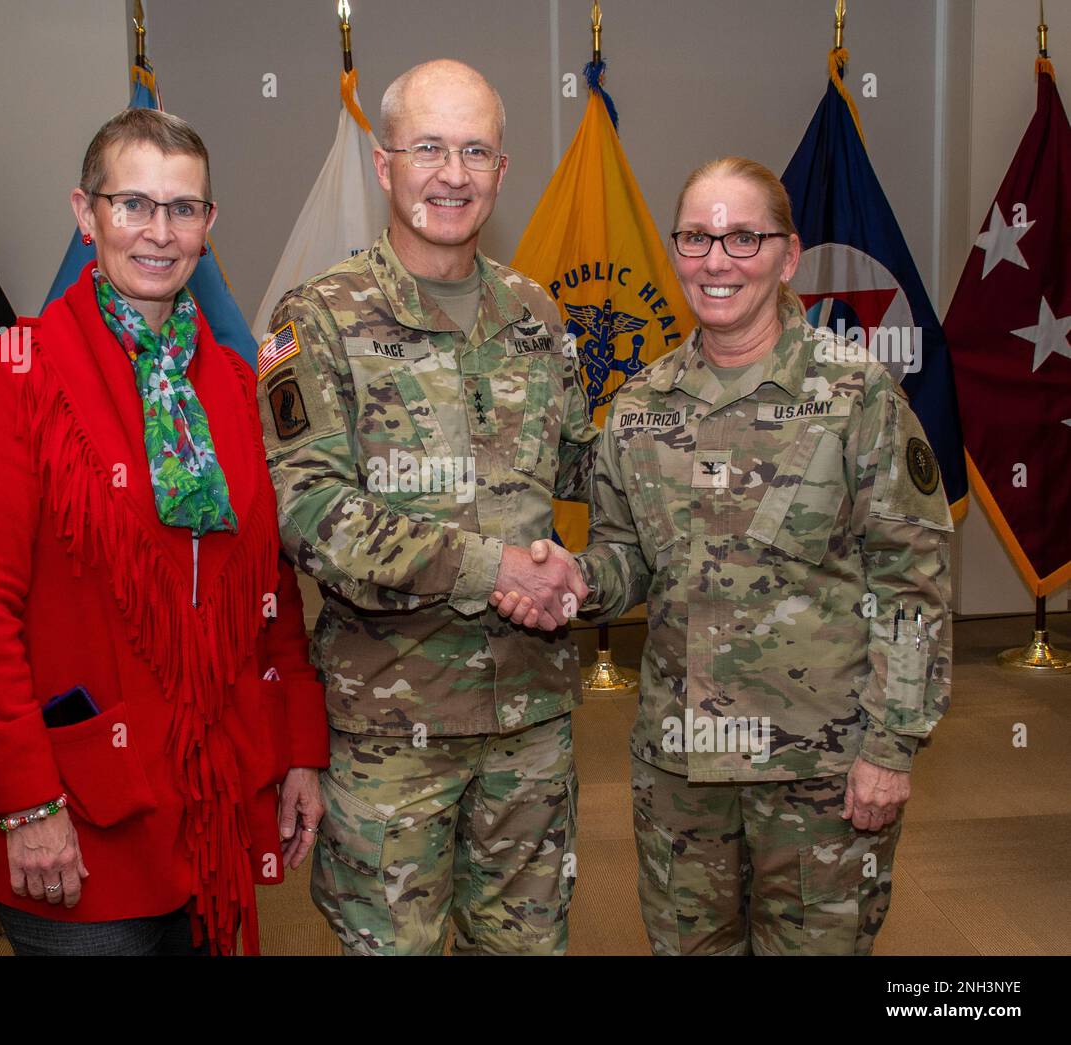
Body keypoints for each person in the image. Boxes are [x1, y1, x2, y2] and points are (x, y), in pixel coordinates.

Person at [494, 156, 953, 955]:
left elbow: (913, 582)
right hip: (680, 775)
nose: (717, 260)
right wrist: (572, 580)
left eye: (744, 238)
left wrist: (890, 747)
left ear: (788, 256)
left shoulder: (857, 396)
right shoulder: (640, 407)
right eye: (697, 238)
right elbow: (627, 557)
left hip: (819, 776)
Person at [0, 107, 327, 956]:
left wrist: (299, 748)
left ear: (208, 226)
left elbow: (270, 587)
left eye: (184, 209)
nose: (159, 232)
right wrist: (28, 805)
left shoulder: (228, 376)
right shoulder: (17, 373)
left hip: (213, 802)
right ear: (86, 213)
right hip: (79, 811)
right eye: (132, 204)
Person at [258, 59, 596, 955]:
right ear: (384, 164)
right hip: (388, 734)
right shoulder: (318, 320)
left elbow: (581, 466)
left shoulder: (536, 315)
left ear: (502, 169)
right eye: (430, 148)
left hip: (530, 721)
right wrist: (495, 570)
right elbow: (313, 516)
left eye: (476, 150)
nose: (453, 173)